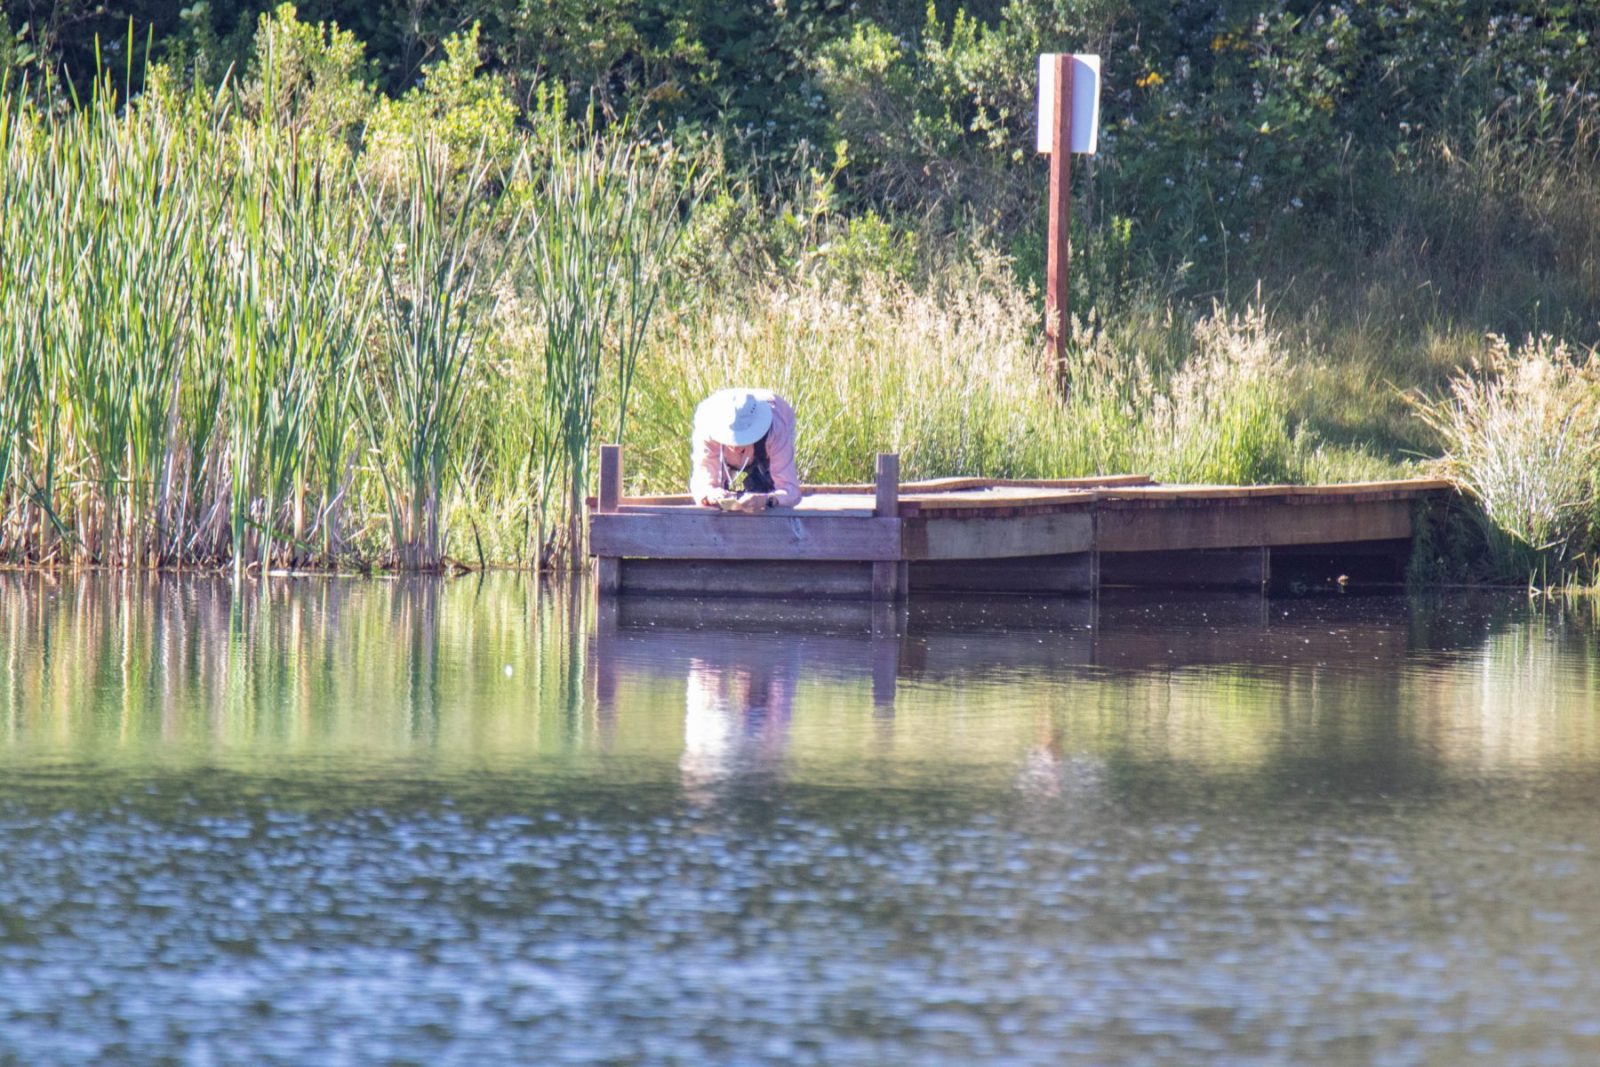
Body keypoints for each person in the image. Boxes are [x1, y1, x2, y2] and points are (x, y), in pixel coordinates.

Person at [689, 388, 801, 512]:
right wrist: (711, 495)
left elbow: (790, 491)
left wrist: (766, 499)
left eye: (743, 439)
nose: (735, 447)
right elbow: (702, 483)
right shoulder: (707, 430)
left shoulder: (776, 430)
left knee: (769, 499)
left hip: (776, 425)